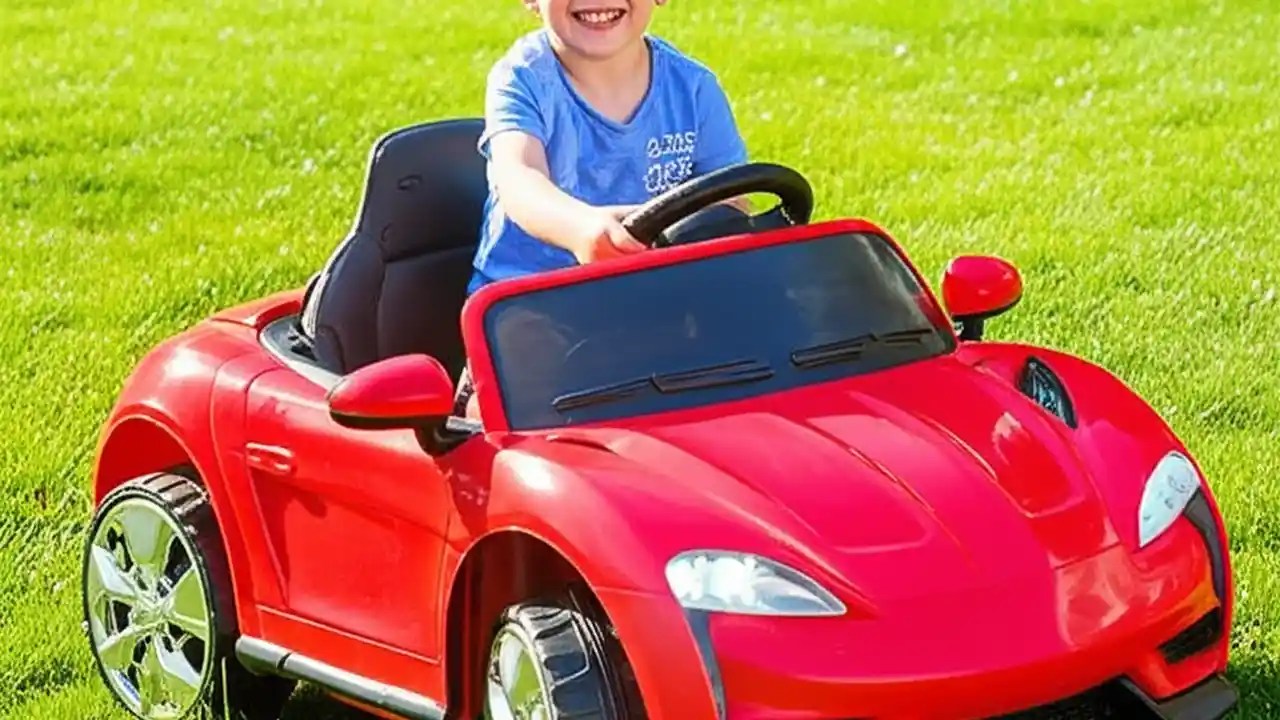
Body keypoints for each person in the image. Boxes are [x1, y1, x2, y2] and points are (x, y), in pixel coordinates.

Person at [454, 0, 751, 416]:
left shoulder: (693, 88)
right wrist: (581, 229)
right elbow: (519, 179)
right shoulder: (523, 79)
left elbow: (732, 202)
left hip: (651, 304)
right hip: (531, 306)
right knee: (515, 407)